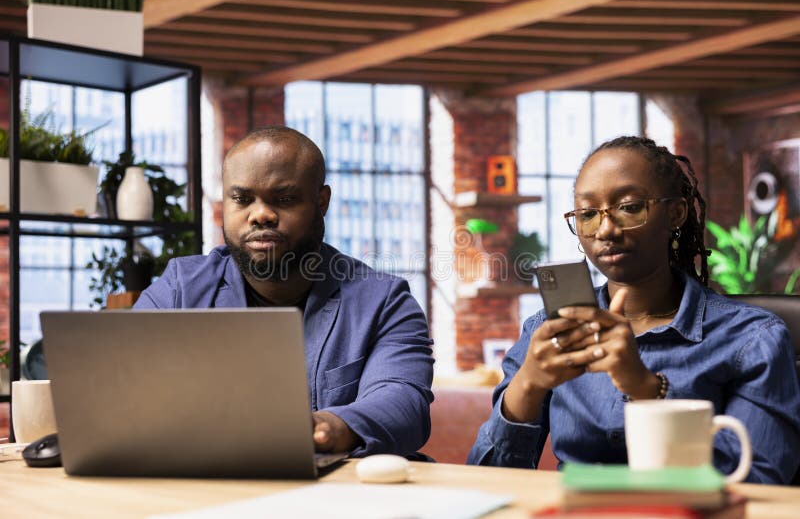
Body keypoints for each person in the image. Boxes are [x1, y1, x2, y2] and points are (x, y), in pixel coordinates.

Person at [467, 136, 800, 484]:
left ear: (676, 213)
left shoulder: (753, 340)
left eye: (629, 207)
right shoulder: (547, 331)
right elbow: (487, 483)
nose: (606, 230)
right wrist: (527, 386)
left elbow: (756, 482)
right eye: (588, 214)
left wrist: (645, 388)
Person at [134, 126, 434, 458]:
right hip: (204, 479)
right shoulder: (180, 289)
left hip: (338, 484)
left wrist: (332, 427)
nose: (261, 215)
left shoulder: (384, 302)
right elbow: (127, 383)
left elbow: (403, 401)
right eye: (242, 199)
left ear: (321, 202)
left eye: (285, 199)